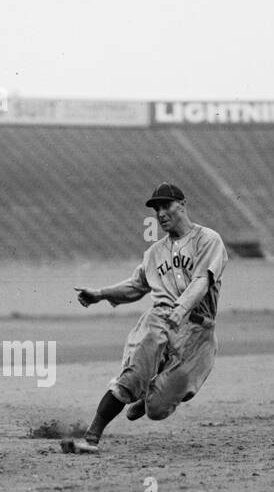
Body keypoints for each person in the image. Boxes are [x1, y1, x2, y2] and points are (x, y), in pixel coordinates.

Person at [61, 182, 228, 454]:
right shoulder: (154, 253)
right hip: (159, 321)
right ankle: (91, 438)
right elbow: (136, 285)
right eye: (156, 209)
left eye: (166, 206)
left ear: (182, 205)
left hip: (199, 332)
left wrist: (181, 308)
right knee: (131, 377)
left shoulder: (208, 240)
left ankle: (148, 396)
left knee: (158, 410)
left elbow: (201, 281)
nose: (160, 213)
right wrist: (100, 294)